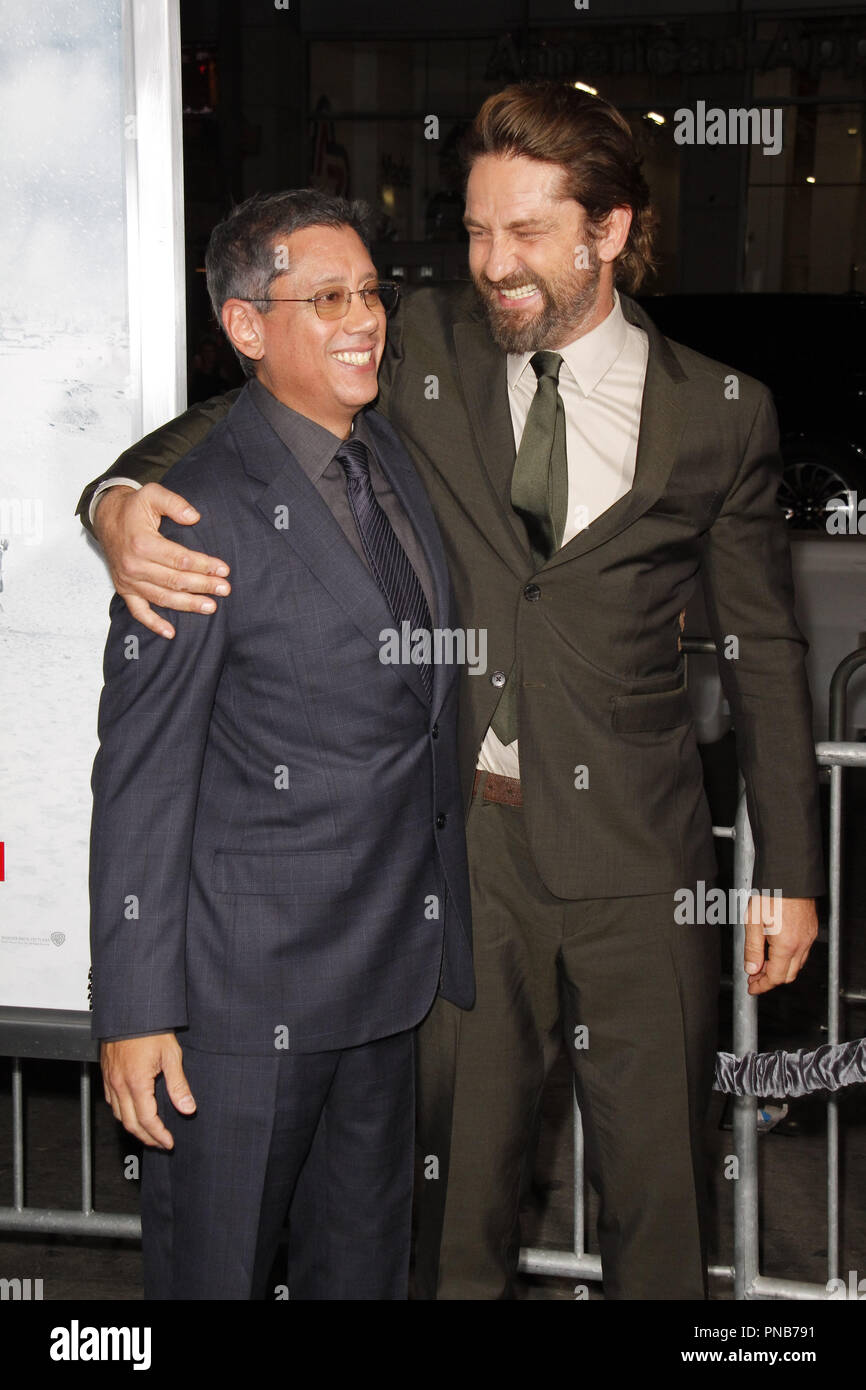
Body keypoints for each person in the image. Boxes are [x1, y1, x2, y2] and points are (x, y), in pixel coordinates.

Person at [79, 83, 823, 1301]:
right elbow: (244, 414)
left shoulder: (717, 415)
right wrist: (114, 503)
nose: (492, 265)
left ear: (610, 229)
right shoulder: (416, 340)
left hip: (642, 860)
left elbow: (766, 650)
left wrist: (787, 869)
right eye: (474, 232)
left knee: (660, 1204)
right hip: (459, 862)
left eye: (525, 233)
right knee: (448, 1211)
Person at [88, 189, 474, 1301]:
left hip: (385, 985)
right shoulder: (192, 517)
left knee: (362, 1277)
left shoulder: (386, 454)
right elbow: (142, 780)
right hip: (239, 1013)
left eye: (368, 291)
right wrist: (135, 1011)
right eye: (326, 297)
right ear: (247, 327)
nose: (363, 318)